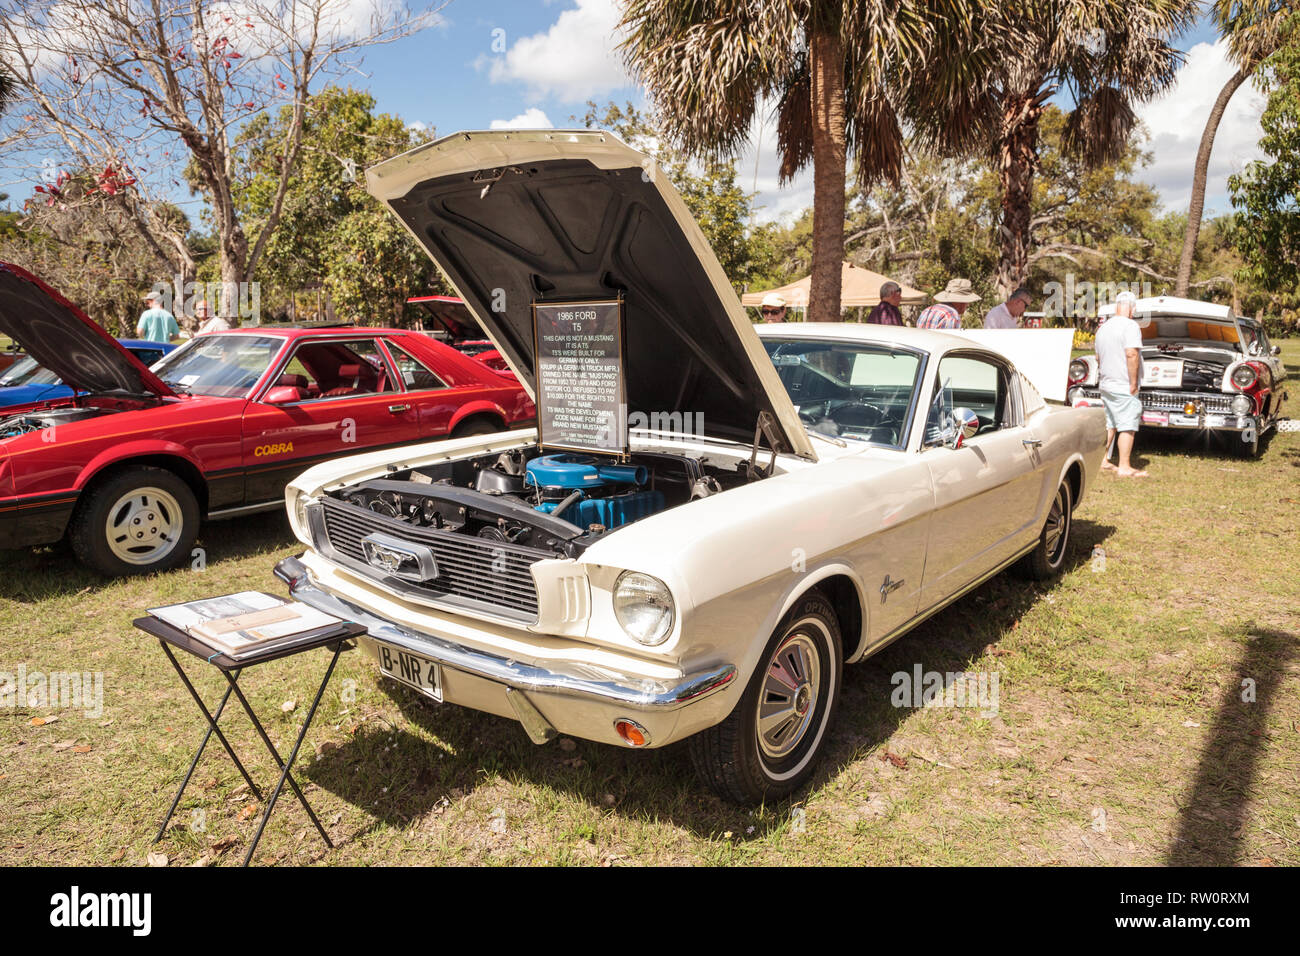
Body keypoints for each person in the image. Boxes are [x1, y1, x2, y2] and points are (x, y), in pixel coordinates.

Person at [1094, 290, 1148, 478]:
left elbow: (1098, 358)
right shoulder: (1130, 326)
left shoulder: (1103, 327)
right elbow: (1131, 354)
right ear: (1132, 308)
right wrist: (1133, 383)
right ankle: (1125, 466)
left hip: (1106, 383)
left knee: (1110, 423)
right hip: (1123, 384)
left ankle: (1102, 460)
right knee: (1127, 424)